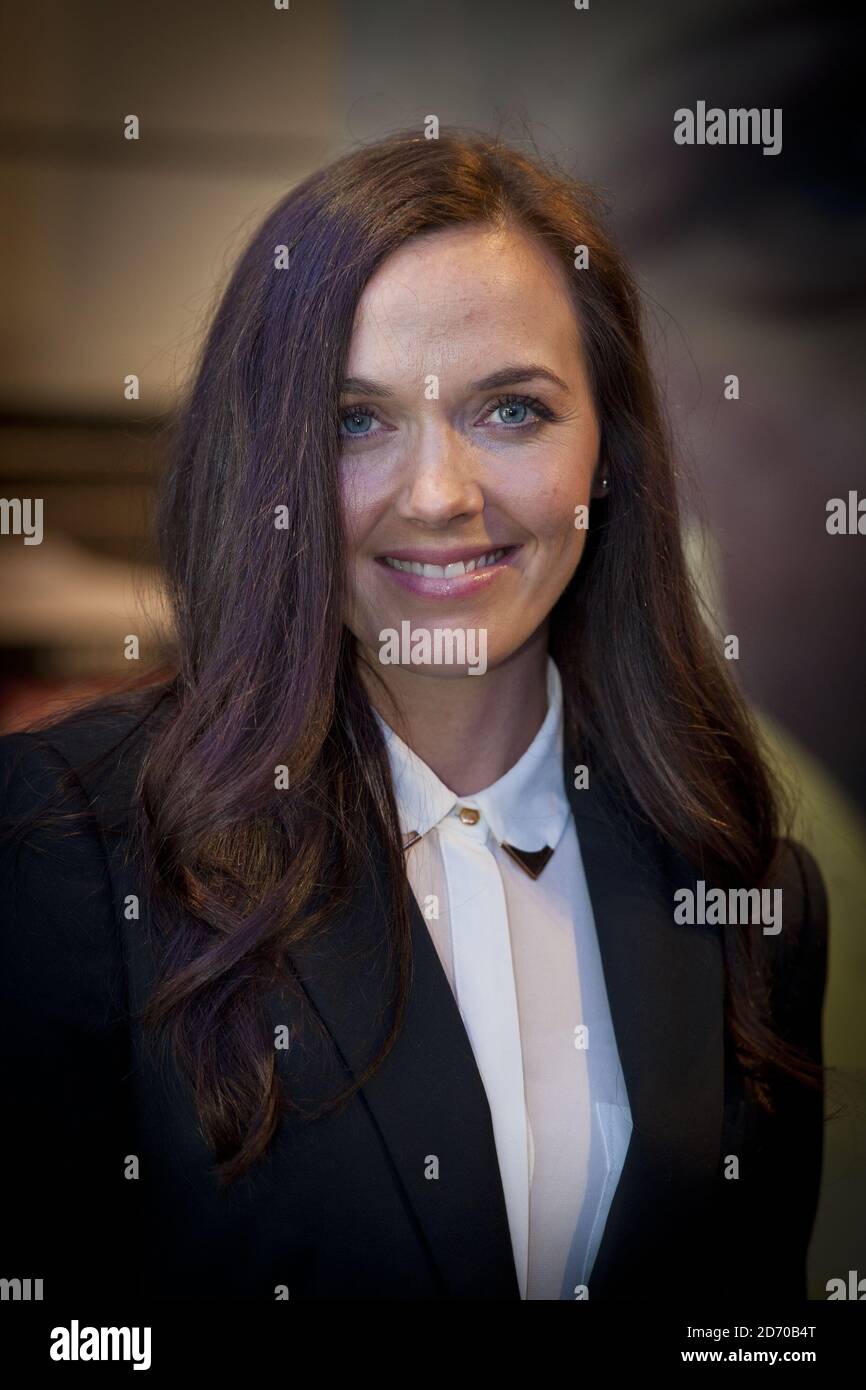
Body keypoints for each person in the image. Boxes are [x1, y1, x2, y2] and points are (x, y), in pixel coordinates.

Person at [0, 128, 827, 1302]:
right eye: (355, 420)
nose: (438, 495)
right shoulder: (65, 842)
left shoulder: (749, 889)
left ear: (609, 452)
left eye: (511, 411)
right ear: (268, 461)